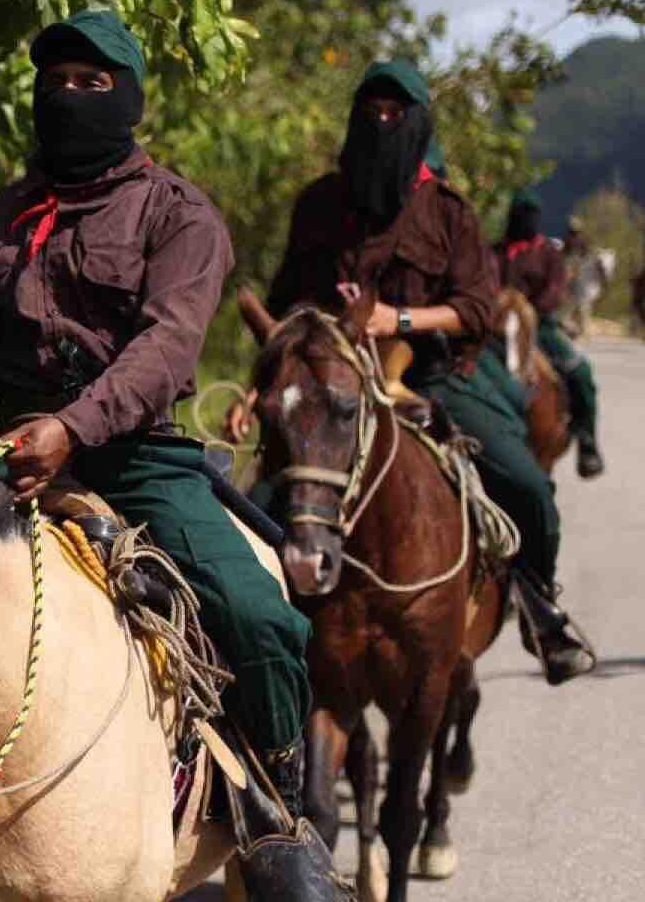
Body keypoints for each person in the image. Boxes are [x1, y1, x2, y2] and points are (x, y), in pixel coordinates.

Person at [0, 9, 343, 902]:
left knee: (264, 617)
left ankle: (280, 825)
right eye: (56, 80)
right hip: (3, 449)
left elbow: (165, 348)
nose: (68, 96)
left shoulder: (179, 215)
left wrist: (72, 429)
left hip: (137, 458)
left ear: (130, 99)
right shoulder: (1, 216)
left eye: (91, 82)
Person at [254, 61, 594, 685]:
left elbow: (475, 309)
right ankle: (246, 642)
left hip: (431, 375)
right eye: (372, 112)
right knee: (251, 501)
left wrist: (396, 319)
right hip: (326, 384)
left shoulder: (449, 214)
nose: (383, 123)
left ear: (416, 125)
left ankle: (539, 606)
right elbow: (285, 305)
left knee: (529, 488)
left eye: (396, 114)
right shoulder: (319, 204)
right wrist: (260, 385)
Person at [496, 191, 603, 477]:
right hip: (496, 328)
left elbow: (555, 291)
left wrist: (529, 310)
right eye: (522, 215)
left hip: (539, 326)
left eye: (532, 215)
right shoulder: (495, 251)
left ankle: (587, 442)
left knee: (580, 372)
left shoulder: (549, 254)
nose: (526, 221)